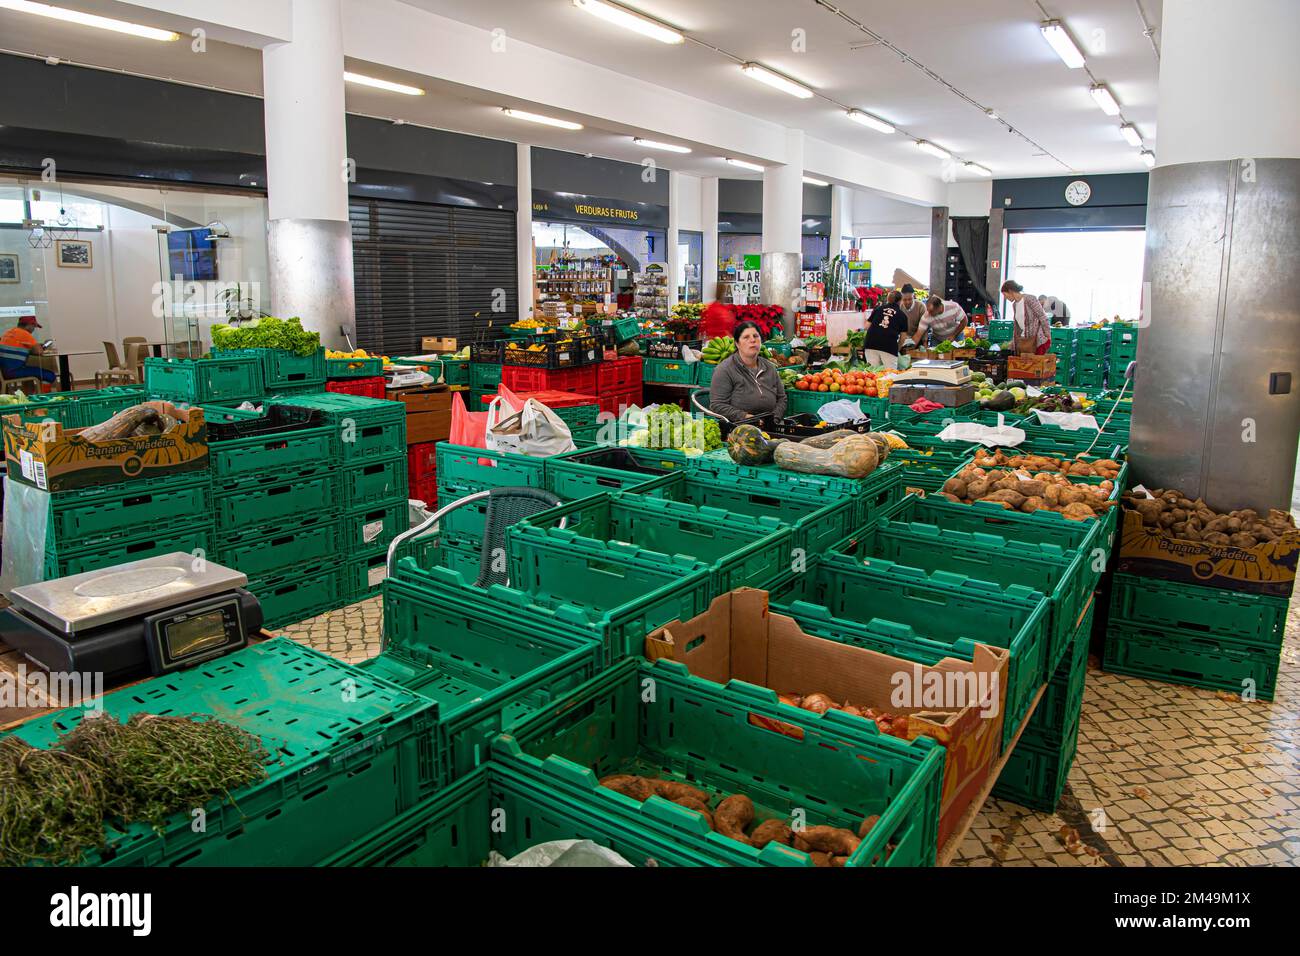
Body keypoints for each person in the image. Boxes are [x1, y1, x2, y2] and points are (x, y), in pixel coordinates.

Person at [709, 320, 788, 422]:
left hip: (770, 426)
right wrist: (748, 418)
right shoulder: (725, 370)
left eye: (756, 336)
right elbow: (717, 405)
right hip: (739, 427)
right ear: (737, 344)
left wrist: (774, 418)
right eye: (746, 337)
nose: (752, 340)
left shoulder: (770, 367)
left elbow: (782, 398)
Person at [0, 316, 55, 387]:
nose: (33, 329)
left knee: (30, 374)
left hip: (4, 371)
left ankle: (29, 395)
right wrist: (40, 347)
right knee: (50, 375)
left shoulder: (9, 333)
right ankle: (48, 395)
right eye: (34, 326)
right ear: (29, 325)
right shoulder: (24, 333)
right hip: (13, 372)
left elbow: (19, 349)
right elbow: (39, 352)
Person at [1003, 280, 1051, 354]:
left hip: (1037, 341)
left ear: (1010, 291)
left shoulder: (1030, 299)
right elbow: (1018, 327)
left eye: (1005, 295)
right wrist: (1014, 343)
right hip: (1025, 342)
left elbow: (1042, 316)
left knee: (1035, 364)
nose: (1005, 298)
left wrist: (1048, 335)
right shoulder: (1015, 305)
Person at [863, 290, 908, 370]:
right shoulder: (902, 315)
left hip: (871, 344)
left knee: (872, 374)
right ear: (900, 301)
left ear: (888, 299)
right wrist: (898, 348)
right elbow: (903, 337)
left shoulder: (878, 309)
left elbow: (866, 326)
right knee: (890, 375)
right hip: (889, 346)